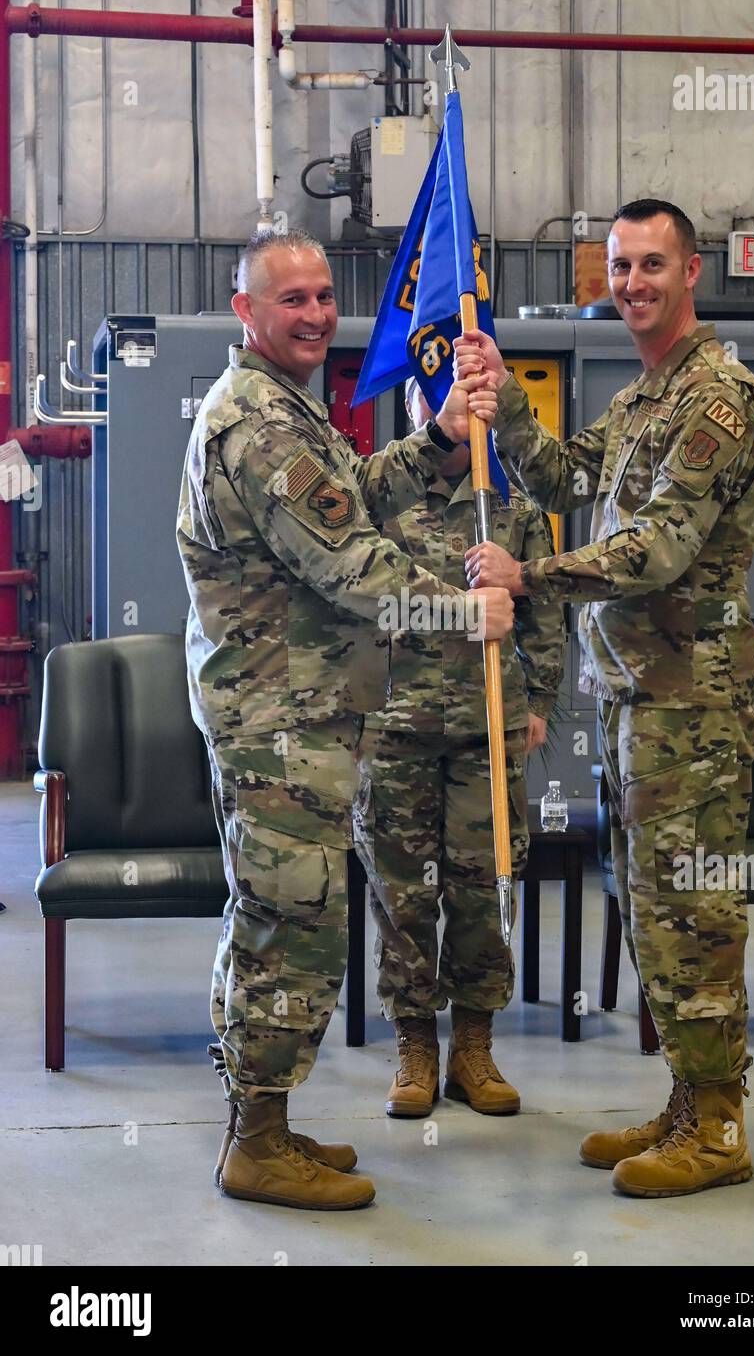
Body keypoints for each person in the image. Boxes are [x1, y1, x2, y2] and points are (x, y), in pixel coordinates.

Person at [176, 227, 513, 1211]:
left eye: (325, 295)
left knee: (291, 919)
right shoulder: (259, 424)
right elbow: (352, 566)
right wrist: (464, 610)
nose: (317, 314)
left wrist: (442, 438)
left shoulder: (288, 409)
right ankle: (255, 1142)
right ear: (247, 311)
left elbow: (349, 500)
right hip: (280, 725)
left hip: (303, 719)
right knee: (289, 925)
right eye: (292, 299)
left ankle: (268, 1121)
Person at [453, 198, 754, 1199]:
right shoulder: (643, 401)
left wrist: (528, 578)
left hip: (692, 707)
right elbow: (562, 474)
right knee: (649, 909)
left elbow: (658, 548)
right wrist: (501, 398)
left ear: (692, 275)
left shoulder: (719, 399)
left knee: (694, 911)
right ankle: (686, 1098)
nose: (631, 284)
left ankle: (718, 1124)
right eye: (619, 267)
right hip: (637, 697)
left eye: (650, 266)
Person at [353, 377, 566, 1119]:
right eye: (437, 397)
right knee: (402, 895)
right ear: (414, 403)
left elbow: (542, 612)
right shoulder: (377, 495)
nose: (455, 412)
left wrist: (537, 703)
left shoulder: (513, 500)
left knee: (483, 890)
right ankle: (415, 1046)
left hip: (488, 727)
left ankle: (473, 1047)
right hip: (394, 725)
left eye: (467, 398)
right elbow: (359, 596)